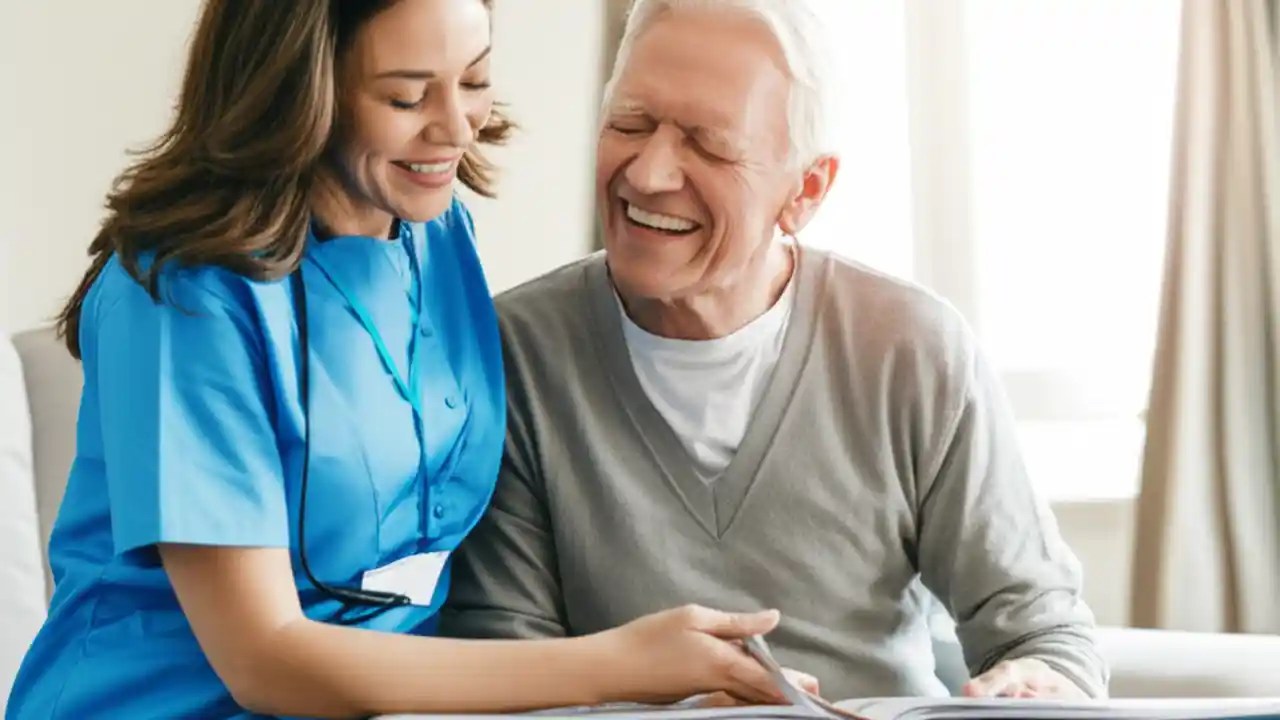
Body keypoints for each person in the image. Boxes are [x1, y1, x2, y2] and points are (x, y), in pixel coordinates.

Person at [4, 1, 800, 717]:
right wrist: (616, 667)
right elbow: (264, 662)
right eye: (406, 97)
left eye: (475, 80)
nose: (457, 127)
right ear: (300, 92)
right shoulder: (184, 296)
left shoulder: (434, 228)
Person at [441, 0, 1109, 703]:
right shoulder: (511, 356)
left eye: (708, 144)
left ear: (806, 190)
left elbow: (1045, 633)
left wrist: (1039, 684)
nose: (649, 173)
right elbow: (504, 682)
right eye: (630, 124)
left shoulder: (913, 352)